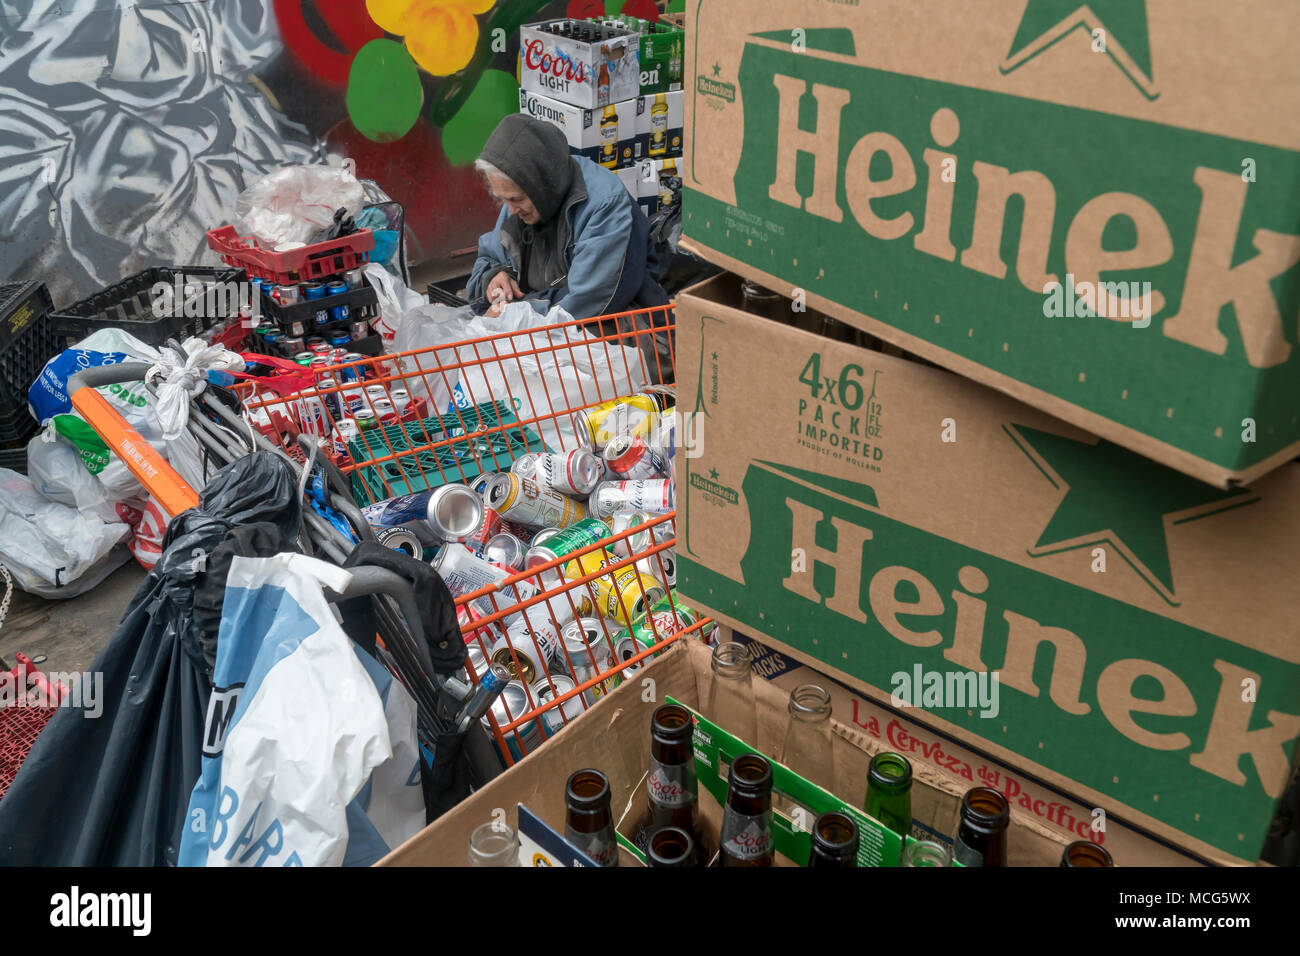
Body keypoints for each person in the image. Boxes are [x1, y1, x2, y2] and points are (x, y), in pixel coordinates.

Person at [467, 114, 672, 381]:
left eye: (515, 199)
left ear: (539, 186)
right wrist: (492, 278)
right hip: (550, 335)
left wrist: (515, 312)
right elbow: (487, 261)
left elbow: (583, 305)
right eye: (502, 199)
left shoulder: (604, 205)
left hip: (624, 339)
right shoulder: (520, 206)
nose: (510, 210)